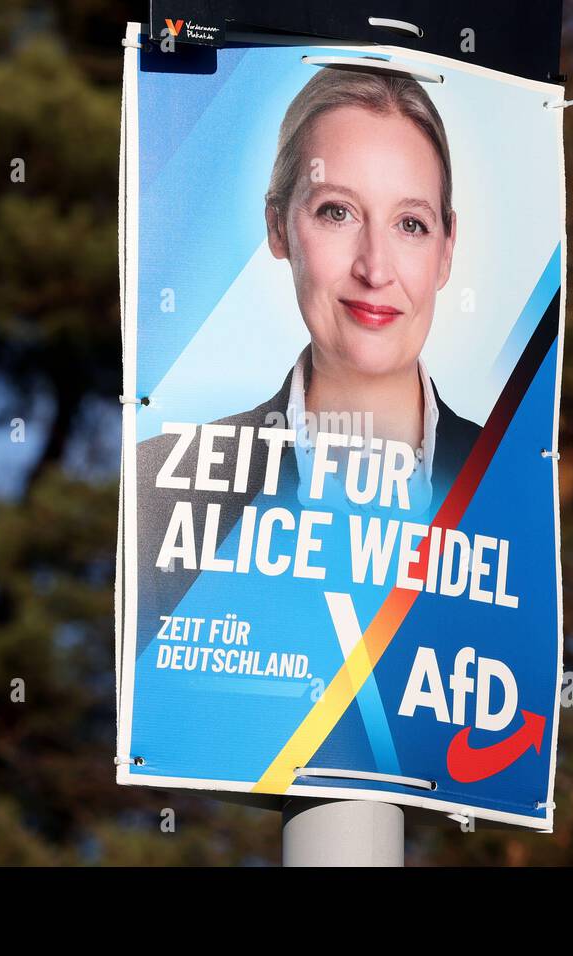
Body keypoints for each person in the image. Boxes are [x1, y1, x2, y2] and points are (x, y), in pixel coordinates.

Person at [136, 66, 480, 615]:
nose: (375, 268)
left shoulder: (517, 491)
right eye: (336, 212)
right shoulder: (162, 490)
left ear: (446, 248)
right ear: (278, 227)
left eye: (410, 224)